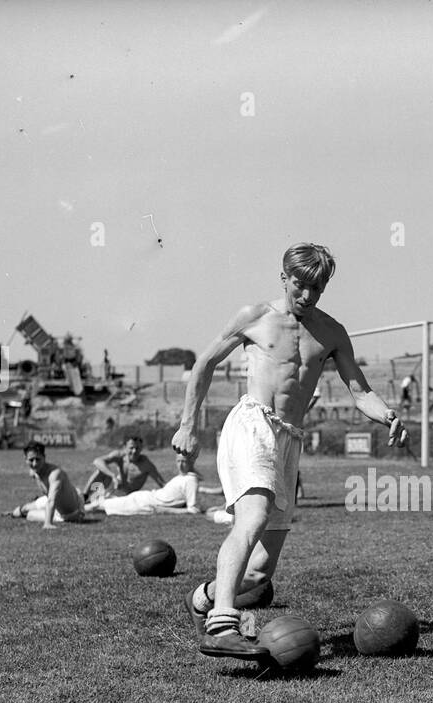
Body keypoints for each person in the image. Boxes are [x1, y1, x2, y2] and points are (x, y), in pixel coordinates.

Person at [171, 242, 408, 658]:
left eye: (317, 288)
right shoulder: (255, 317)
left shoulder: (332, 332)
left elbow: (360, 390)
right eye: (300, 285)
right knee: (254, 516)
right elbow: (204, 363)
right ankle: (222, 623)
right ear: (284, 278)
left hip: (289, 439)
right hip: (253, 424)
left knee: (260, 575)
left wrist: (387, 415)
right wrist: (188, 425)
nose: (307, 296)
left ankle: (206, 597)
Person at [85, 450, 203, 516]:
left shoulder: (191, 480)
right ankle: (82, 503)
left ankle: (79, 508)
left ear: (191, 462)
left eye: (184, 461)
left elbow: (192, 510)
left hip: (146, 503)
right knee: (105, 502)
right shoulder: (184, 477)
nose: (180, 465)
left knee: (101, 505)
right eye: (178, 461)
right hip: (144, 497)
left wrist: (164, 510)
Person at [7, 440, 86, 527]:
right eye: (31, 460)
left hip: (72, 514)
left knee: (30, 515)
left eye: (38, 459)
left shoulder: (55, 474)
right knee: (22, 509)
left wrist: (48, 523)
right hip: (57, 500)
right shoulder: (33, 472)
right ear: (25, 459)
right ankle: (10, 513)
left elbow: (51, 501)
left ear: (44, 457)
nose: (35, 463)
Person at [81, 434, 164, 500]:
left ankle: (96, 499)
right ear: (125, 447)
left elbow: (162, 484)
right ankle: (84, 497)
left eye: (137, 448)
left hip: (127, 497)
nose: (134, 451)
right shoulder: (120, 456)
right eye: (131, 448)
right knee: (100, 471)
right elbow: (97, 461)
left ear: (141, 448)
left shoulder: (146, 464)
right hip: (113, 489)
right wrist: (112, 476)